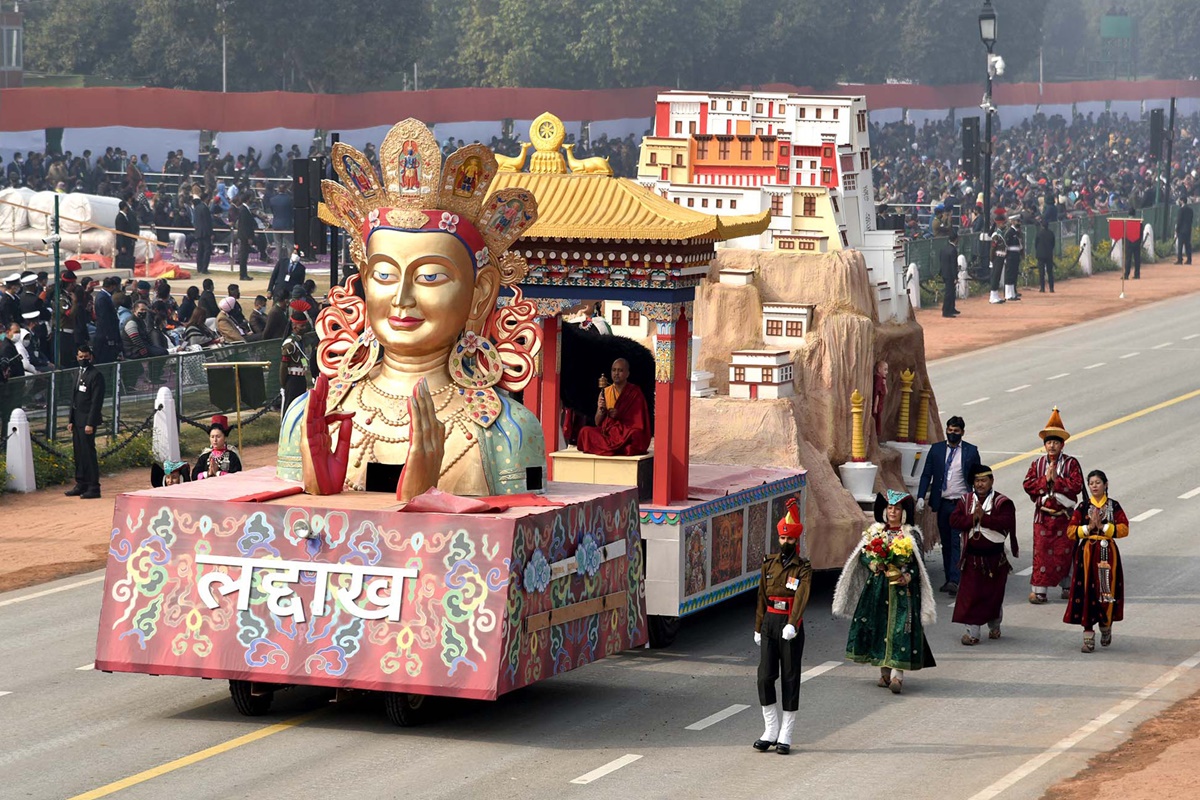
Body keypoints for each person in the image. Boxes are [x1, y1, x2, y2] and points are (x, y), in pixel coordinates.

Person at [282, 120, 545, 499]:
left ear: (480, 293)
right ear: (364, 279)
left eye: (430, 276)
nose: (402, 297)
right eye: (385, 274)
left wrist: (425, 501)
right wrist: (314, 491)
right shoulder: (311, 419)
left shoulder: (507, 431)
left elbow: (526, 526)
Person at [833, 490, 936, 694]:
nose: (892, 512)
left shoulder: (911, 535)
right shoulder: (875, 532)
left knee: (901, 630)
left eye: (897, 509)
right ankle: (884, 673)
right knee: (880, 626)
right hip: (879, 589)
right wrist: (874, 564)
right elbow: (863, 555)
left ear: (903, 512)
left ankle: (898, 676)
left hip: (903, 592)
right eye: (890, 508)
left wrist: (907, 576)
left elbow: (918, 565)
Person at [752, 497, 812, 756]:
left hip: (789, 626)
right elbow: (761, 597)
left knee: (789, 677)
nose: (785, 542)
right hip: (769, 623)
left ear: (796, 540)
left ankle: (786, 733)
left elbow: (801, 597)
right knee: (765, 676)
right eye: (782, 538)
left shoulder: (803, 568)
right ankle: (770, 729)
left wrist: (792, 624)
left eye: (790, 539)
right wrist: (758, 627)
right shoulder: (768, 564)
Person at [949, 464, 1018, 645]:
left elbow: (1006, 522)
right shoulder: (965, 501)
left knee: (993, 596)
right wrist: (972, 518)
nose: (980, 484)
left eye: (983, 480)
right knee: (971, 596)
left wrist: (984, 518)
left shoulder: (1002, 502)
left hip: (995, 560)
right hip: (972, 559)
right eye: (977, 481)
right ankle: (972, 634)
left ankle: (995, 626)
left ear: (991, 481)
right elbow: (954, 520)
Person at [1022, 407, 1084, 604]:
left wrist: (1057, 481)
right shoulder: (1037, 464)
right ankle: (1040, 592)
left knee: (1066, 552)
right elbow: (1027, 484)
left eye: (1056, 442)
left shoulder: (1071, 464)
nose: (1052, 446)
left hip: (1064, 517)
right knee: (1041, 554)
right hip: (1043, 518)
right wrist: (1045, 480)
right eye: (1049, 442)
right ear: (1044, 445)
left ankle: (1067, 587)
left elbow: (1077, 485)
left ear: (1062, 445)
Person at [1065, 470, 1129, 653]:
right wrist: (1089, 528)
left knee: (1105, 590)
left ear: (1105, 485)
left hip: (1107, 554)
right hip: (1086, 554)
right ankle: (1088, 637)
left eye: (1098, 482)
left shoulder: (1113, 506)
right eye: (1091, 483)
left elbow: (1124, 529)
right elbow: (1070, 531)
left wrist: (1103, 527)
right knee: (1086, 591)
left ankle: (1106, 625)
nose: (1094, 486)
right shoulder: (1083, 506)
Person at [915, 415, 979, 596]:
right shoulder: (936, 450)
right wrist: (921, 497)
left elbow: (978, 477)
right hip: (943, 504)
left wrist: (979, 500)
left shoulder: (970, 451)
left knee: (956, 540)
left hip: (961, 503)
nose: (952, 433)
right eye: (950, 430)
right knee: (946, 542)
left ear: (962, 432)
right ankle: (949, 578)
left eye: (956, 431)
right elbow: (926, 474)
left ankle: (955, 580)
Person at [576, 358, 651, 456]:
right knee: (585, 431)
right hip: (608, 433)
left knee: (636, 435)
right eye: (614, 370)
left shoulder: (635, 393)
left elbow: (638, 422)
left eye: (620, 370)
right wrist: (601, 410)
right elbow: (597, 422)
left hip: (626, 432)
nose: (616, 373)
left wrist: (620, 415)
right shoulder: (605, 392)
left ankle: (608, 448)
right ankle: (616, 449)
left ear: (627, 374)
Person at [66, 344, 105, 499]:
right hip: (77, 420)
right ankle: (81, 483)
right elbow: (74, 398)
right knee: (79, 453)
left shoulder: (95, 375)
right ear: (77, 357)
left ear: (91, 357)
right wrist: (71, 419)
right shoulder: (77, 373)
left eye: (86, 357)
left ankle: (93, 487)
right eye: (81, 357)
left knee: (88, 454)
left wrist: (90, 423)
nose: (83, 359)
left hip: (88, 421)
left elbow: (96, 402)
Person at [280, 299, 318, 413]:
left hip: (301, 379)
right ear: (294, 326)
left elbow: (303, 360)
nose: (305, 328)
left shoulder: (301, 341)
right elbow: (283, 366)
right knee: (290, 407)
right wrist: (283, 384)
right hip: (292, 380)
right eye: (302, 326)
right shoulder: (290, 344)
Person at [192, 415, 243, 480]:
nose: (215, 440)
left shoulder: (232, 457)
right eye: (212, 437)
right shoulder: (204, 457)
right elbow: (194, 476)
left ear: (225, 438)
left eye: (218, 437)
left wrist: (218, 473)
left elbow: (237, 476)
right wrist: (207, 473)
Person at [91, 276, 122, 364]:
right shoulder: (102, 298)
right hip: (104, 336)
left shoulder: (105, 297)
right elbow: (104, 318)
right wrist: (109, 336)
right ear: (112, 286)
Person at [938, 230, 959, 317]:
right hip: (950, 274)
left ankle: (951, 308)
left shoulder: (944, 249)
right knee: (949, 293)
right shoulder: (953, 250)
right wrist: (955, 277)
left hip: (945, 273)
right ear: (956, 239)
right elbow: (953, 265)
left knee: (951, 292)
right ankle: (946, 311)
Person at [235, 193, 255, 281]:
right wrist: (248, 237)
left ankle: (244, 274)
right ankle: (243, 275)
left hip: (245, 236)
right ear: (247, 199)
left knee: (244, 256)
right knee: (243, 256)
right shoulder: (243, 210)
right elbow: (244, 226)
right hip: (244, 237)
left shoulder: (245, 209)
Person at [1003, 215, 1023, 302]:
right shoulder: (1010, 232)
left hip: (1016, 255)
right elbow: (1006, 245)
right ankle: (1008, 294)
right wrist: (1005, 256)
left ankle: (1013, 293)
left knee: (1014, 274)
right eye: (1017, 221)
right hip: (1010, 255)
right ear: (1012, 222)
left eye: (1019, 221)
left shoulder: (1017, 232)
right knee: (1009, 274)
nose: (1018, 223)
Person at [192, 192, 213, 274]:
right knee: (207, 250)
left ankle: (199, 268)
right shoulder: (204, 208)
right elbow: (207, 222)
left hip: (199, 232)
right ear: (206, 198)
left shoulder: (197, 207)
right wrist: (211, 233)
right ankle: (204, 268)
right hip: (205, 232)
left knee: (200, 250)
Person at [114, 198, 138, 270]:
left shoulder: (126, 216)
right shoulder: (120, 217)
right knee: (123, 259)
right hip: (124, 242)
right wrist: (122, 245)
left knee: (128, 257)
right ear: (125, 207)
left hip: (128, 241)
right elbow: (120, 232)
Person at [1035, 217, 1056, 293]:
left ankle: (1042, 288)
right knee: (1050, 272)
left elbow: (1036, 244)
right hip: (1049, 254)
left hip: (1040, 254)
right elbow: (1053, 244)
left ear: (1042, 225)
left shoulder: (1039, 233)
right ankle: (1051, 288)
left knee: (1041, 272)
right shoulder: (1051, 233)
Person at [1176, 196, 1193, 265]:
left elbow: (1179, 221)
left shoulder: (1181, 210)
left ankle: (1180, 259)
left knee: (1180, 245)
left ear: (1182, 201)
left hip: (1181, 230)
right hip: (1188, 229)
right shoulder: (1190, 210)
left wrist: (1177, 229)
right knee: (1188, 245)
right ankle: (1189, 259)